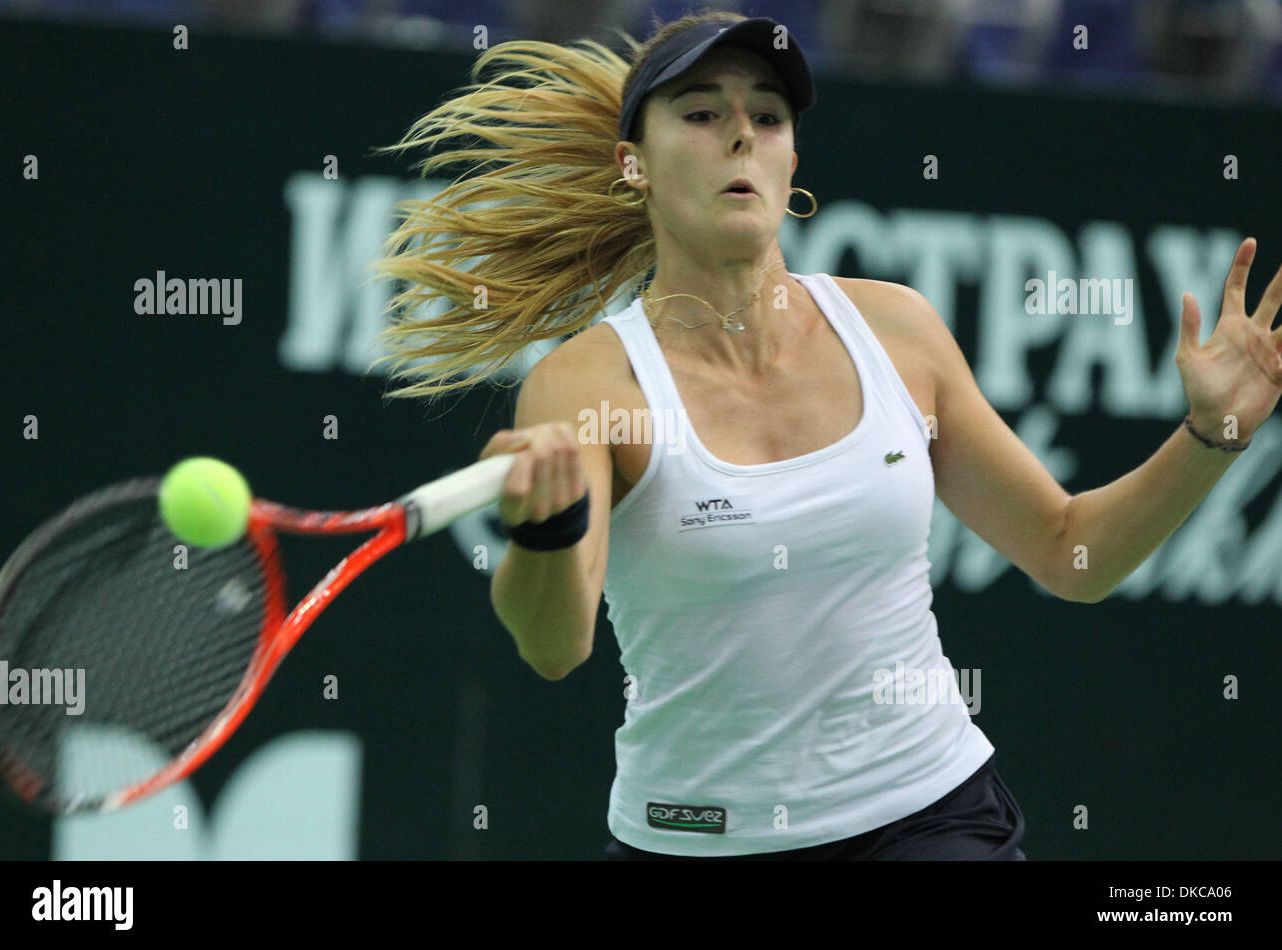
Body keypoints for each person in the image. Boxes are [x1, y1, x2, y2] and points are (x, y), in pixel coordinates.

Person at [373, 10, 1281, 859]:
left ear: (791, 159)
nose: (741, 136)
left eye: (766, 118)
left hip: (929, 818)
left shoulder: (898, 331)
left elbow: (1070, 551)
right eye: (700, 113)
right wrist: (544, 526)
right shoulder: (587, 385)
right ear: (633, 164)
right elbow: (552, 644)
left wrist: (1214, 433)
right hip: (691, 836)